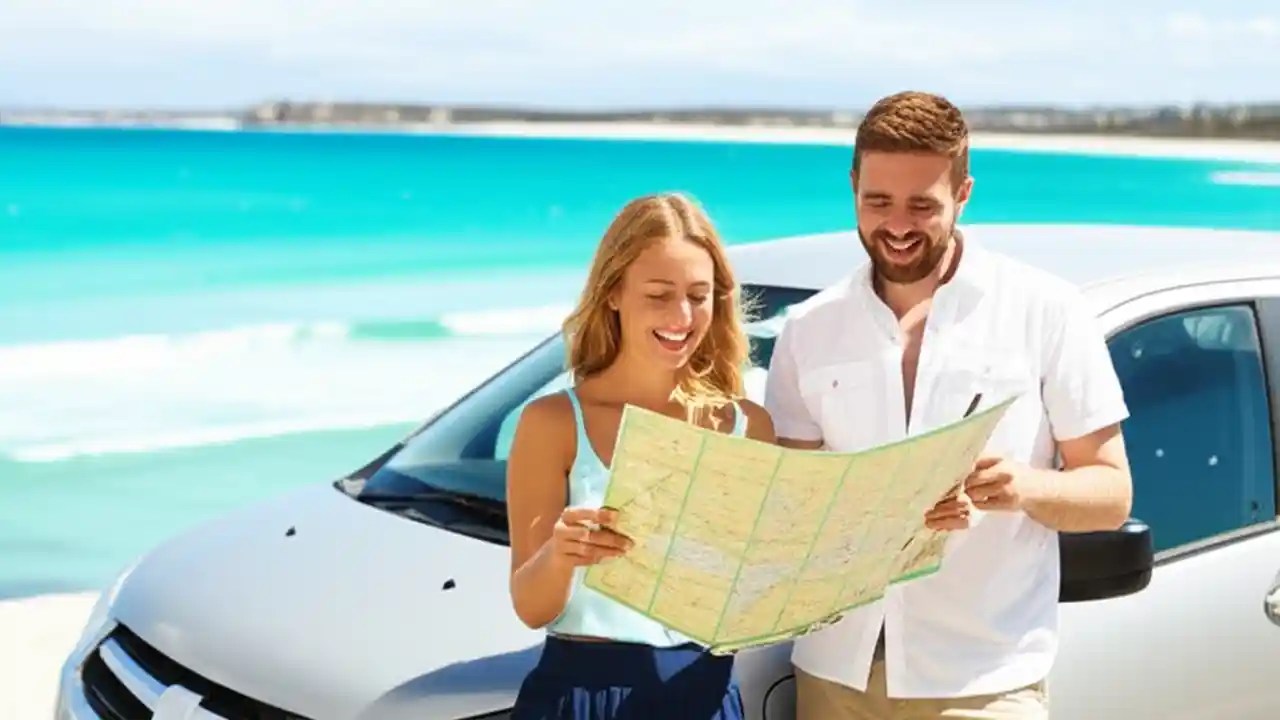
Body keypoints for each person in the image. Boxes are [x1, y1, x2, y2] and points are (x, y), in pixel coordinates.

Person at [763, 90, 1134, 719]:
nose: (898, 225)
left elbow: (1112, 493)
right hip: (832, 673)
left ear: (963, 194)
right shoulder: (808, 328)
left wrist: (1019, 487)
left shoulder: (1046, 311)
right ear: (852, 186)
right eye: (877, 202)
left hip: (982, 680)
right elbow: (788, 499)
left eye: (922, 205)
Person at [505, 192, 777, 720]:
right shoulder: (554, 424)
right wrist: (561, 553)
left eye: (699, 296)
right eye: (659, 294)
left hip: (707, 697)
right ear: (612, 294)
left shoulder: (748, 427)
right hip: (583, 699)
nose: (682, 316)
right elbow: (530, 607)